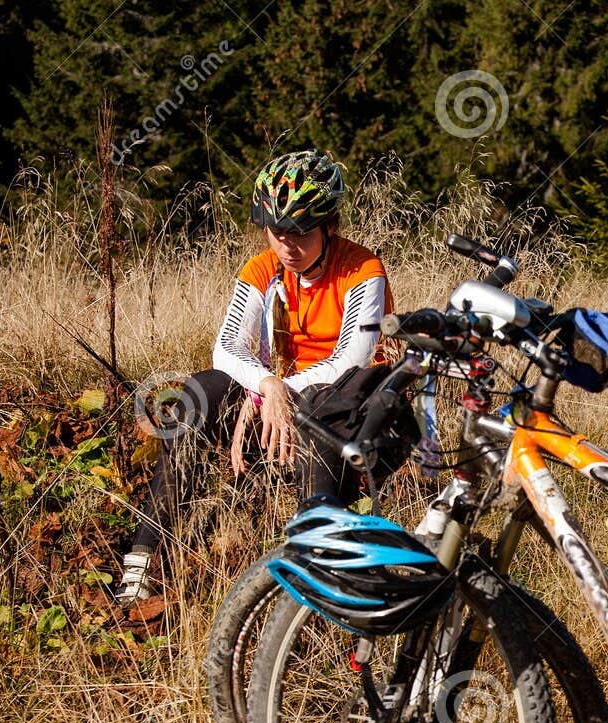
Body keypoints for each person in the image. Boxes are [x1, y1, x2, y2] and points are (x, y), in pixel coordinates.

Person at [113, 149, 396, 605]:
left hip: (345, 401)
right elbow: (226, 349)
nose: (288, 245)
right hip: (273, 395)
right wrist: (264, 386)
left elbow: (354, 360)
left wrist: (279, 392)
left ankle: (315, 571)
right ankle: (143, 559)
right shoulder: (263, 268)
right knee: (202, 391)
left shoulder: (363, 270)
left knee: (322, 404)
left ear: (328, 224)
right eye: (277, 231)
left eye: (301, 232)